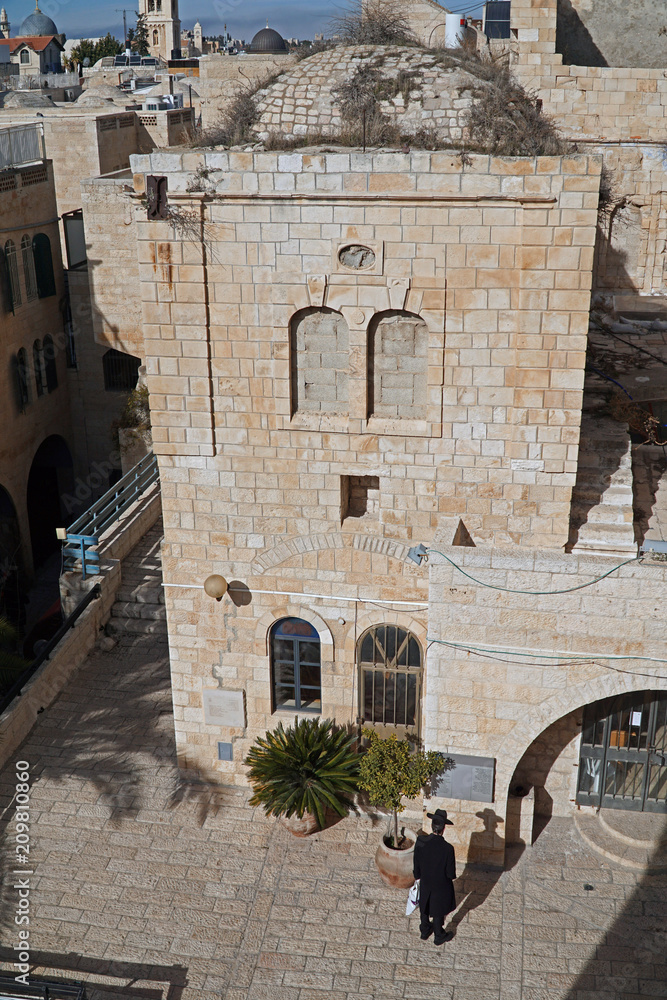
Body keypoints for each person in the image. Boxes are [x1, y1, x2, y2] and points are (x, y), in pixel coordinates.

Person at [413, 808, 457, 945]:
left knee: (424, 903)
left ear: (432, 826)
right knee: (438, 907)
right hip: (440, 884)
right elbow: (450, 874)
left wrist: (418, 876)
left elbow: (416, 864)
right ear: (444, 829)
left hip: (425, 880)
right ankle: (439, 934)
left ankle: (425, 930)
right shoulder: (448, 849)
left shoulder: (420, 841)